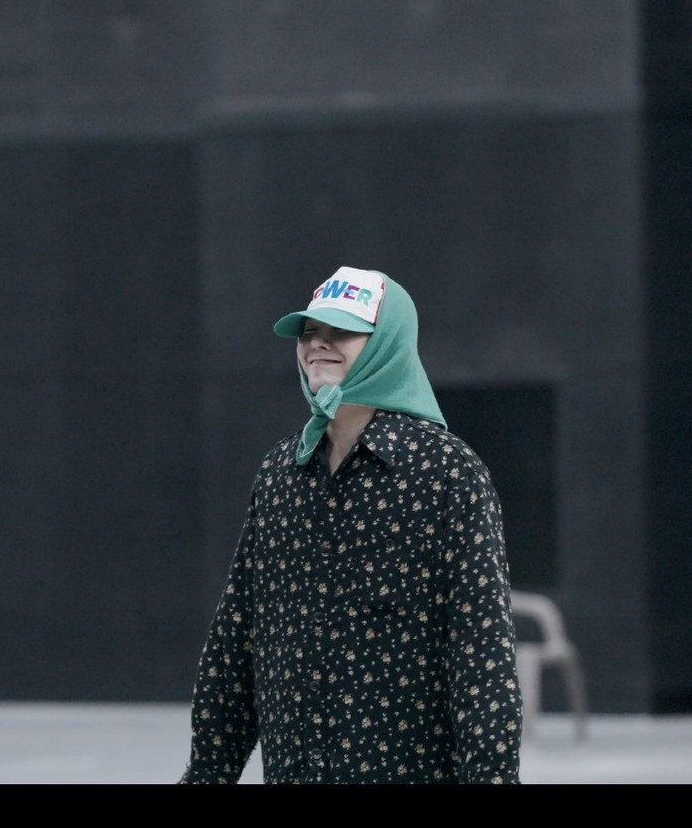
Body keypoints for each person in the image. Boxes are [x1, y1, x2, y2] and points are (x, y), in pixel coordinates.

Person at [179, 265, 523, 784]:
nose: (317, 343)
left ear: (387, 345)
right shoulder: (280, 473)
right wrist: (207, 773)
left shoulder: (446, 473)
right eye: (309, 332)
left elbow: (482, 654)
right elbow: (237, 642)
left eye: (340, 331)